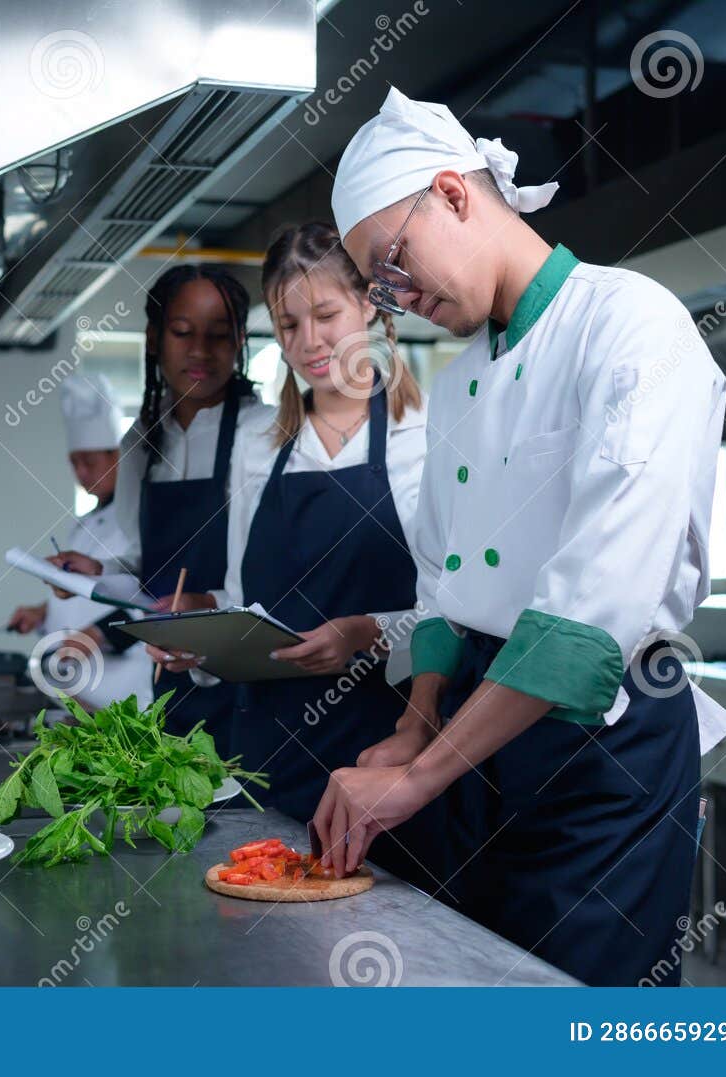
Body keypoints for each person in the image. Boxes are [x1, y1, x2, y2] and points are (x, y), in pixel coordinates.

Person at [311, 87, 726, 987]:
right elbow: (441, 586)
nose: (394, 296)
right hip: (481, 734)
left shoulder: (631, 325)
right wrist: (417, 726)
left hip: (599, 752)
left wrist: (421, 779)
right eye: (377, 285)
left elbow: (587, 619)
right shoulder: (463, 382)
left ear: (454, 195)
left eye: (393, 262)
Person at [147, 222, 451, 892]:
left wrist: (366, 633)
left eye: (325, 314)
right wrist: (199, 637)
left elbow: (454, 613)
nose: (308, 342)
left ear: (370, 303)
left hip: (379, 755)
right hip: (263, 756)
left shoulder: (425, 437)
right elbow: (237, 596)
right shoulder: (259, 443)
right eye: (287, 324)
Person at [49, 266, 274, 748]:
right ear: (154, 339)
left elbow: (279, 579)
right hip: (170, 677)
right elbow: (139, 569)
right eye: (182, 333)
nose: (200, 351)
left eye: (219, 336)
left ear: (239, 342)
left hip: (254, 682)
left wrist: (206, 606)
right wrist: (94, 572)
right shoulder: (140, 443)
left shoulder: (267, 433)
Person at [6, 371, 152, 710]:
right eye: (75, 463)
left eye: (89, 462)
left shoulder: (141, 519)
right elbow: (88, 594)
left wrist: (96, 634)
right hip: (78, 697)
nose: (81, 473)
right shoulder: (83, 524)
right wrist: (42, 612)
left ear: (118, 457)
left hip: (124, 697)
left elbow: (151, 600)